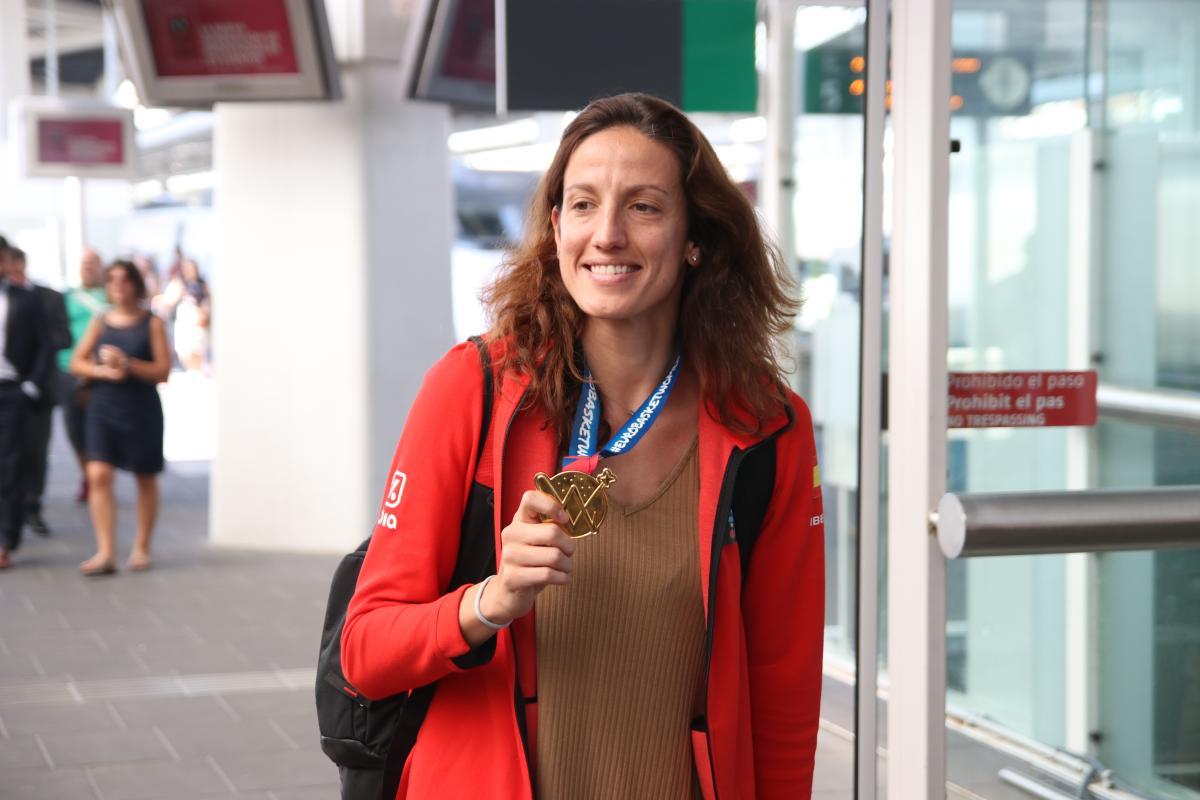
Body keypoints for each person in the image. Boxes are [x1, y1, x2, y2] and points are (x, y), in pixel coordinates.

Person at [341, 94, 825, 799]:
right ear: (556, 227)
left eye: (644, 207)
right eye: (583, 204)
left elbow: (783, 690)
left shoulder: (766, 429)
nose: (607, 235)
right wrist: (489, 601)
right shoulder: (473, 392)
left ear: (696, 238)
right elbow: (366, 651)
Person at [69, 260, 170, 576]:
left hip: (140, 407)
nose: (117, 285)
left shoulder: (151, 323)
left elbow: (162, 371)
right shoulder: (101, 321)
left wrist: (127, 364)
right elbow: (77, 362)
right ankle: (106, 551)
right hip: (103, 405)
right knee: (98, 474)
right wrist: (100, 370)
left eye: (124, 280)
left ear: (136, 284)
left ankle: (142, 545)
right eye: (111, 280)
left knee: (145, 475)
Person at [5, 248, 71, 536]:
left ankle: (31, 505)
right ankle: (11, 517)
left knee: (33, 452)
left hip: (33, 390)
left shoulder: (45, 297)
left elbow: (59, 338)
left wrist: (32, 382)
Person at [0, 237, 54, 570]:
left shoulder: (26, 299)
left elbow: (45, 346)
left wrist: (31, 387)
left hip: (10, 392)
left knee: (9, 467)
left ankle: (6, 540)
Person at [61, 247, 109, 503]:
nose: (88, 267)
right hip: (71, 370)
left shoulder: (110, 296)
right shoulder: (68, 297)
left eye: (93, 262)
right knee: (75, 429)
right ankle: (88, 475)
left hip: (102, 373)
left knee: (98, 428)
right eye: (84, 263)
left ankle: (98, 476)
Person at [158, 256, 211, 373]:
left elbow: (207, 300)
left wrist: (204, 312)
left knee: (197, 349)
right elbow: (169, 299)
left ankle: (196, 372)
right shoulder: (180, 283)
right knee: (185, 350)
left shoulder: (202, 283)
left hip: (198, 321)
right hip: (185, 320)